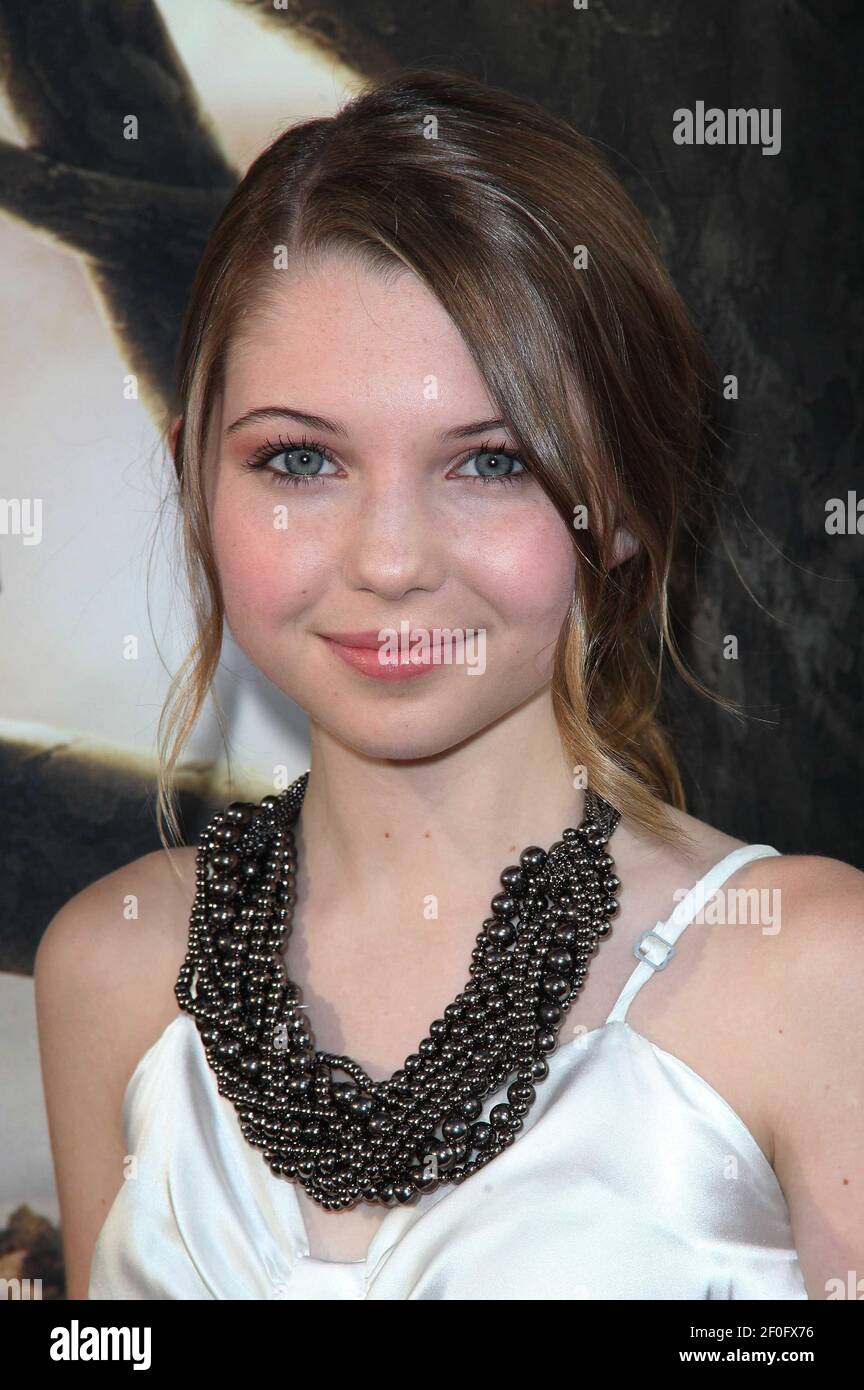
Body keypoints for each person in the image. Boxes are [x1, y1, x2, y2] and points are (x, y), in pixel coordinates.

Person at [35, 68, 863, 1301]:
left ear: (625, 501)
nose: (387, 560)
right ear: (197, 483)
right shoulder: (109, 966)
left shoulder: (813, 969)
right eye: (300, 459)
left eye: (490, 463)